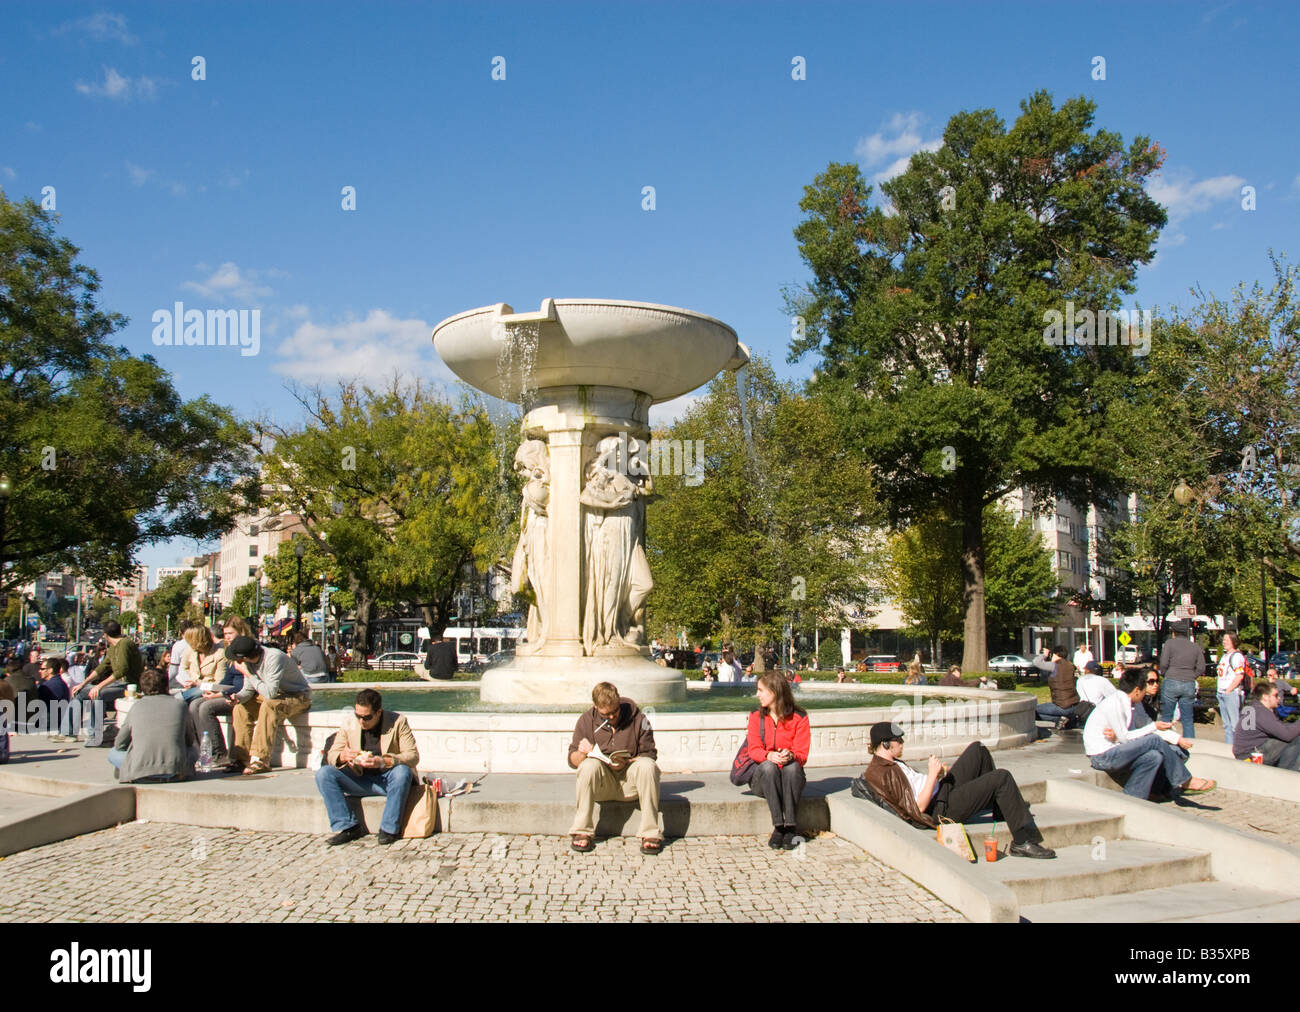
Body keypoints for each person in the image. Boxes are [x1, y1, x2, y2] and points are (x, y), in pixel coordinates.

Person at [863, 722, 1055, 858]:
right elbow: (918, 808)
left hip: (941, 792)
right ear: (885, 744)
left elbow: (916, 785)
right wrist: (932, 775)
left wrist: (938, 776)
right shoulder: (882, 772)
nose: (903, 743)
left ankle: (1003, 806)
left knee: (978, 749)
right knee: (1002, 777)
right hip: (940, 811)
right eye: (899, 741)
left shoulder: (892, 761)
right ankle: (1022, 842)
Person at [1084, 668, 1215, 800]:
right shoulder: (1115, 703)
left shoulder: (1126, 702)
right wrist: (1154, 726)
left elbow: (1125, 734)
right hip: (1102, 756)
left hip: (1113, 750)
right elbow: (1125, 737)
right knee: (1154, 740)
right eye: (1145, 686)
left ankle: (1133, 797)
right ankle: (1185, 780)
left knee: (1154, 756)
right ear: (1136, 690)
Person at [316, 688, 420, 845]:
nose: (361, 721)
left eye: (367, 717)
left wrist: (383, 761)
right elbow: (332, 754)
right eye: (358, 716)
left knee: (402, 772)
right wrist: (342, 756)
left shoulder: (398, 721)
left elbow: (413, 756)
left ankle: (389, 829)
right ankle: (348, 826)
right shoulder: (350, 723)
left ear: (378, 712)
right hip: (359, 777)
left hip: (388, 779)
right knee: (324, 774)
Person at [567, 682, 661, 854]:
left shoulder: (639, 719)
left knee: (647, 766)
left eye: (614, 712)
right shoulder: (586, 720)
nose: (611, 717)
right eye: (605, 714)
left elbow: (650, 754)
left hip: (630, 783)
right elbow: (572, 761)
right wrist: (583, 752)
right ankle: (582, 831)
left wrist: (629, 761)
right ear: (596, 707)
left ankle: (650, 832)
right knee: (587, 765)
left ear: (619, 702)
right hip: (603, 785)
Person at [224, 635, 313, 775]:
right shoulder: (248, 663)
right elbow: (248, 690)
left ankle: (261, 760)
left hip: (297, 696)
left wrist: (248, 674)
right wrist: (237, 698)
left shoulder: (274, 657)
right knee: (241, 708)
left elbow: (270, 693)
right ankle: (241, 758)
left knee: (269, 705)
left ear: (243, 657)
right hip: (274, 696)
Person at [743, 671, 811, 849]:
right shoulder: (756, 717)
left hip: (789, 778)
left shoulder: (799, 717)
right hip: (764, 779)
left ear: (775, 692)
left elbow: (802, 753)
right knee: (768, 767)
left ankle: (791, 827)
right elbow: (753, 750)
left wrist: (791, 755)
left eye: (761, 690)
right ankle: (779, 827)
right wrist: (768, 755)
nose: (757, 695)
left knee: (792, 767)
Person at [106, 668, 199, 783]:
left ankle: (126, 770)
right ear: (166, 686)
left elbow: (119, 744)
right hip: (174, 770)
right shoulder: (180, 705)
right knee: (194, 750)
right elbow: (190, 741)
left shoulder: (136, 706)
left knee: (112, 753)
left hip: (140, 770)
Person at [73, 621, 143, 741]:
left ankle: (94, 735)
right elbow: (102, 668)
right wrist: (83, 683)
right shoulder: (112, 647)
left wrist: (99, 686)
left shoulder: (125, 644)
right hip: (119, 683)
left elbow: (121, 670)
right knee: (79, 693)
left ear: (105, 635)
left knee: (98, 694)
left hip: (129, 685)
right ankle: (69, 732)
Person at [1233, 682, 1300, 769]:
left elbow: (1279, 727)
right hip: (1251, 755)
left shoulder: (1253, 707)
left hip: (1245, 752)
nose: (1279, 698)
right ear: (1265, 697)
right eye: (1275, 695)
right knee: (1295, 739)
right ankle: (1287, 775)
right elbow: (1287, 735)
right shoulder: (1262, 712)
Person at [1158, 620, 1205, 739]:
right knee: (1188, 719)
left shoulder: (1169, 644)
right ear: (1186, 633)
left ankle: (1166, 743)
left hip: (1171, 680)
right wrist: (1191, 676)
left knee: (1167, 717)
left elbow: (1163, 663)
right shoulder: (1195, 647)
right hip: (1188, 682)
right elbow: (1201, 667)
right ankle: (1190, 746)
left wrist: (1166, 674)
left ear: (1173, 632)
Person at [1035, 646, 1083, 730]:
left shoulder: (1054, 666)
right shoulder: (1071, 665)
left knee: (1031, 711)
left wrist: (1044, 655)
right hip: (1074, 705)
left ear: (1056, 654)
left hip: (1062, 706)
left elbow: (1036, 662)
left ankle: (1057, 720)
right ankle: (1065, 719)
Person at [1215, 632, 1247, 747]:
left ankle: (1238, 747)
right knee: (1227, 725)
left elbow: (1239, 676)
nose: (1224, 642)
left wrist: (1229, 690)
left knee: (1234, 724)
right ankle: (1229, 748)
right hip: (1222, 693)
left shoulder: (1236, 656)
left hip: (1231, 693)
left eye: (1227, 640)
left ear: (1234, 641)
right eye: (1224, 640)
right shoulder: (1225, 656)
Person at [167, 620, 193, 689]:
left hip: (182, 681)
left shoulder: (178, 645)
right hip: (196, 681)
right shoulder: (198, 643)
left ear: (180, 632)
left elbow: (174, 668)